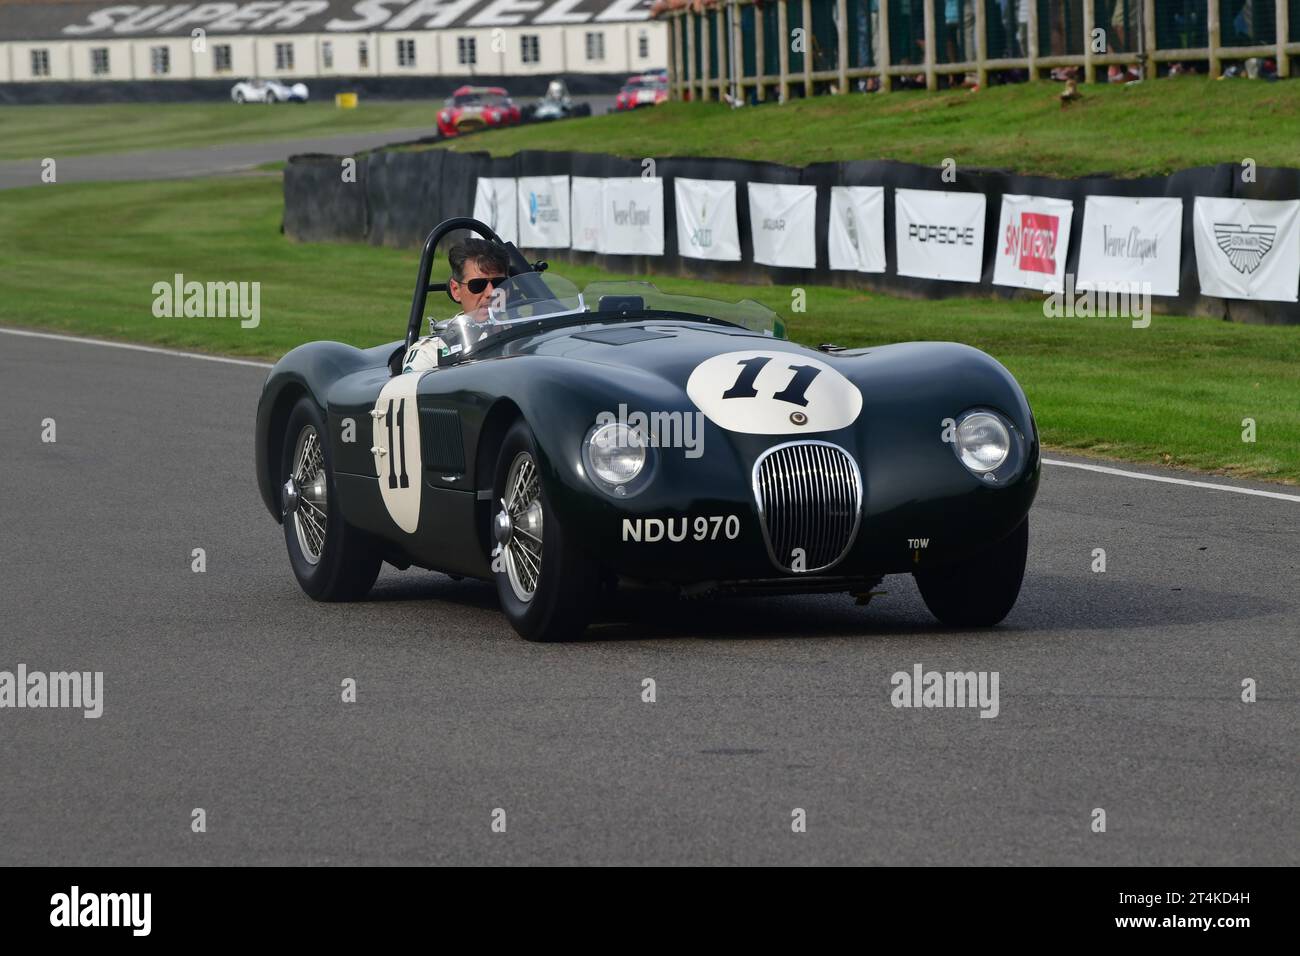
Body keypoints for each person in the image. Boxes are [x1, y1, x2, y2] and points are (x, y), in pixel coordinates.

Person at [402, 238, 509, 373]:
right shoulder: (431, 354)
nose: (491, 292)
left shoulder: (530, 337)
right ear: (455, 290)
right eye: (478, 285)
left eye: (499, 283)